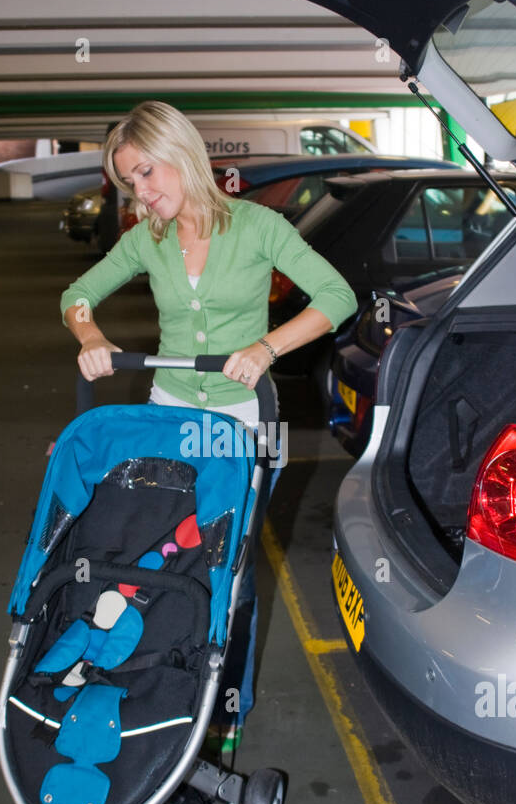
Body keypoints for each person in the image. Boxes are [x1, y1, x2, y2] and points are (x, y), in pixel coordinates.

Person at [60, 100, 357, 751]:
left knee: (229, 569)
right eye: (129, 182)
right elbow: (76, 296)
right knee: (155, 558)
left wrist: (267, 347)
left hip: (239, 421)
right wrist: (91, 335)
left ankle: (226, 708)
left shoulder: (255, 227)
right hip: (169, 416)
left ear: (179, 154)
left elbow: (337, 297)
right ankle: (156, 681)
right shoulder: (147, 239)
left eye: (145, 173)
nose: (140, 192)